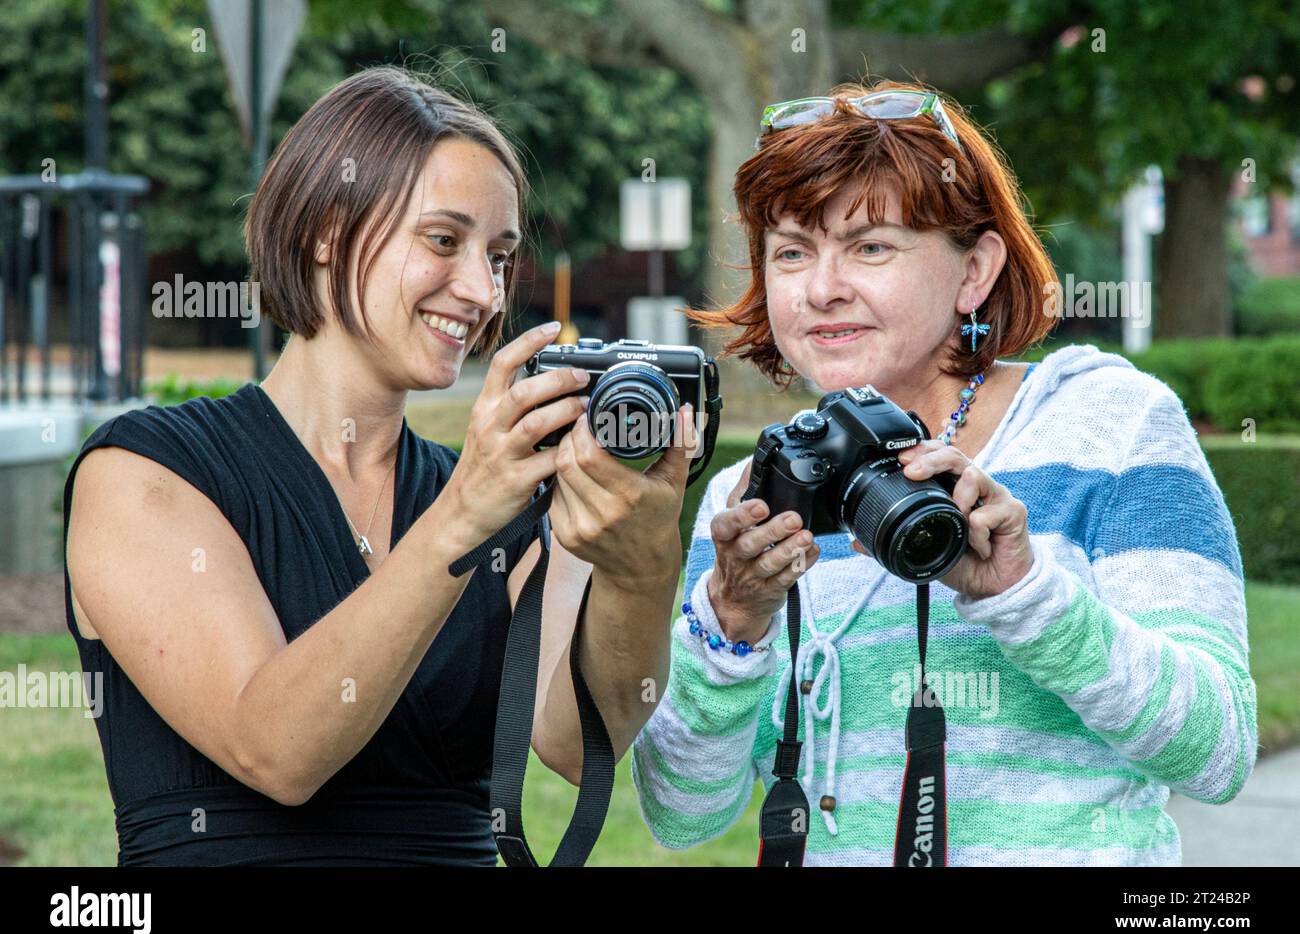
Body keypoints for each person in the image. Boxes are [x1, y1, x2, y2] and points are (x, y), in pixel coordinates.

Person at [63, 66, 692, 865]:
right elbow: (277, 752)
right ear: (327, 228)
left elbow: (574, 742)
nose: (482, 290)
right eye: (443, 240)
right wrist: (461, 517)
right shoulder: (146, 472)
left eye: (498, 256)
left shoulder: (501, 492)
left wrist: (641, 569)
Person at [631, 80, 1257, 865]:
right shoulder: (751, 499)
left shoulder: (1111, 425)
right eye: (792, 251)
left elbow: (1218, 750)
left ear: (975, 271)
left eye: (871, 246)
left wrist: (1026, 597)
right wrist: (730, 623)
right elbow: (682, 815)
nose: (821, 288)